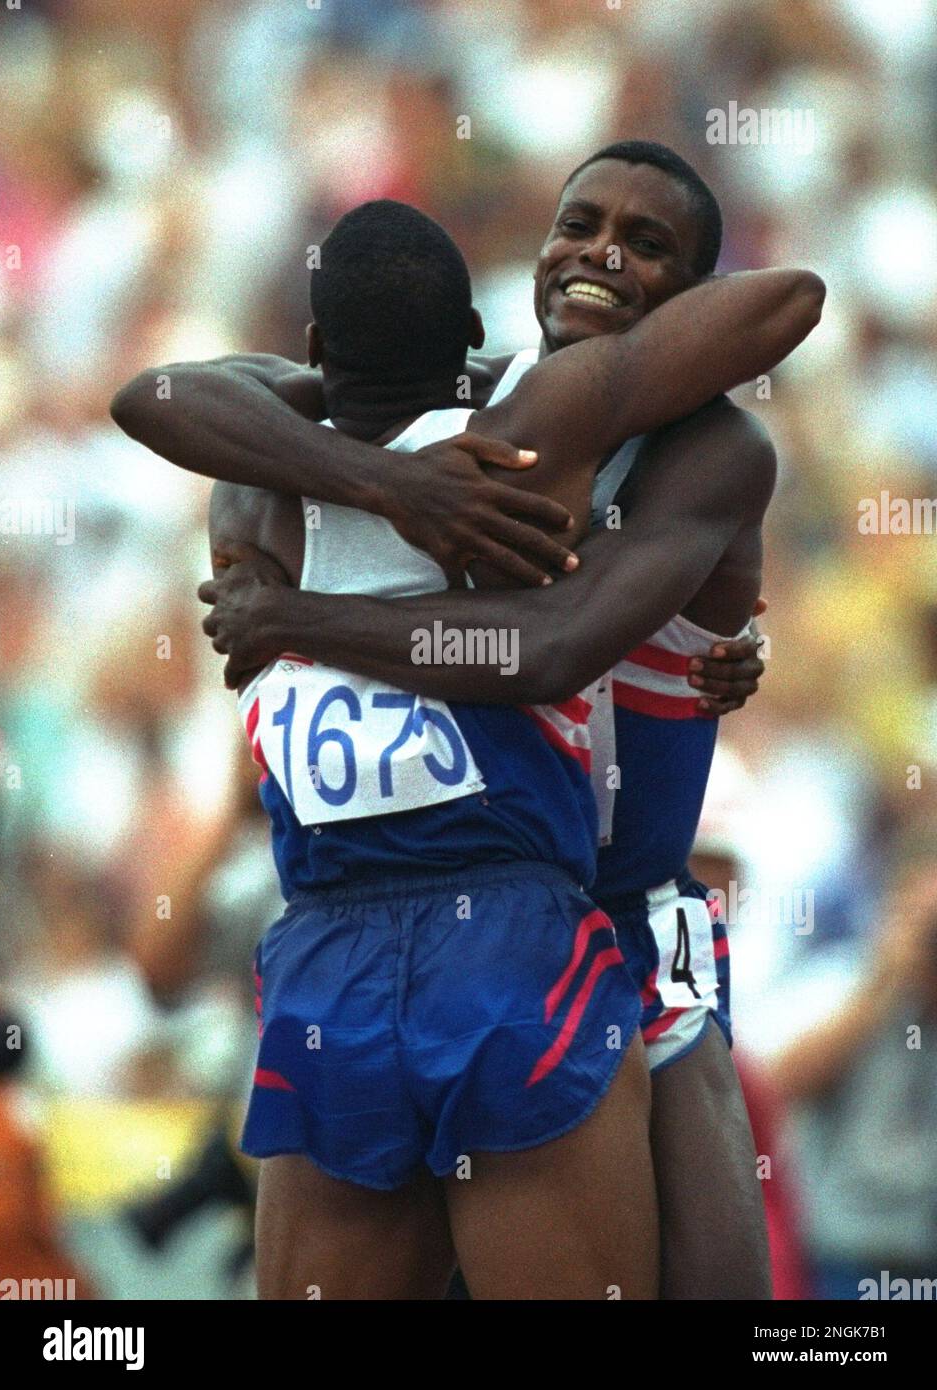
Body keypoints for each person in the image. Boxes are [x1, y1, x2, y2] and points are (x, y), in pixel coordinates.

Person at [113, 144, 825, 1297]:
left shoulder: (711, 449)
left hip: (623, 916)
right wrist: (390, 486)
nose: (598, 252)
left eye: (645, 245)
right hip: (436, 911)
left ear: (685, 306)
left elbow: (544, 651)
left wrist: (292, 614)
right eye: (578, 224)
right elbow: (162, 396)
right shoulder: (469, 406)